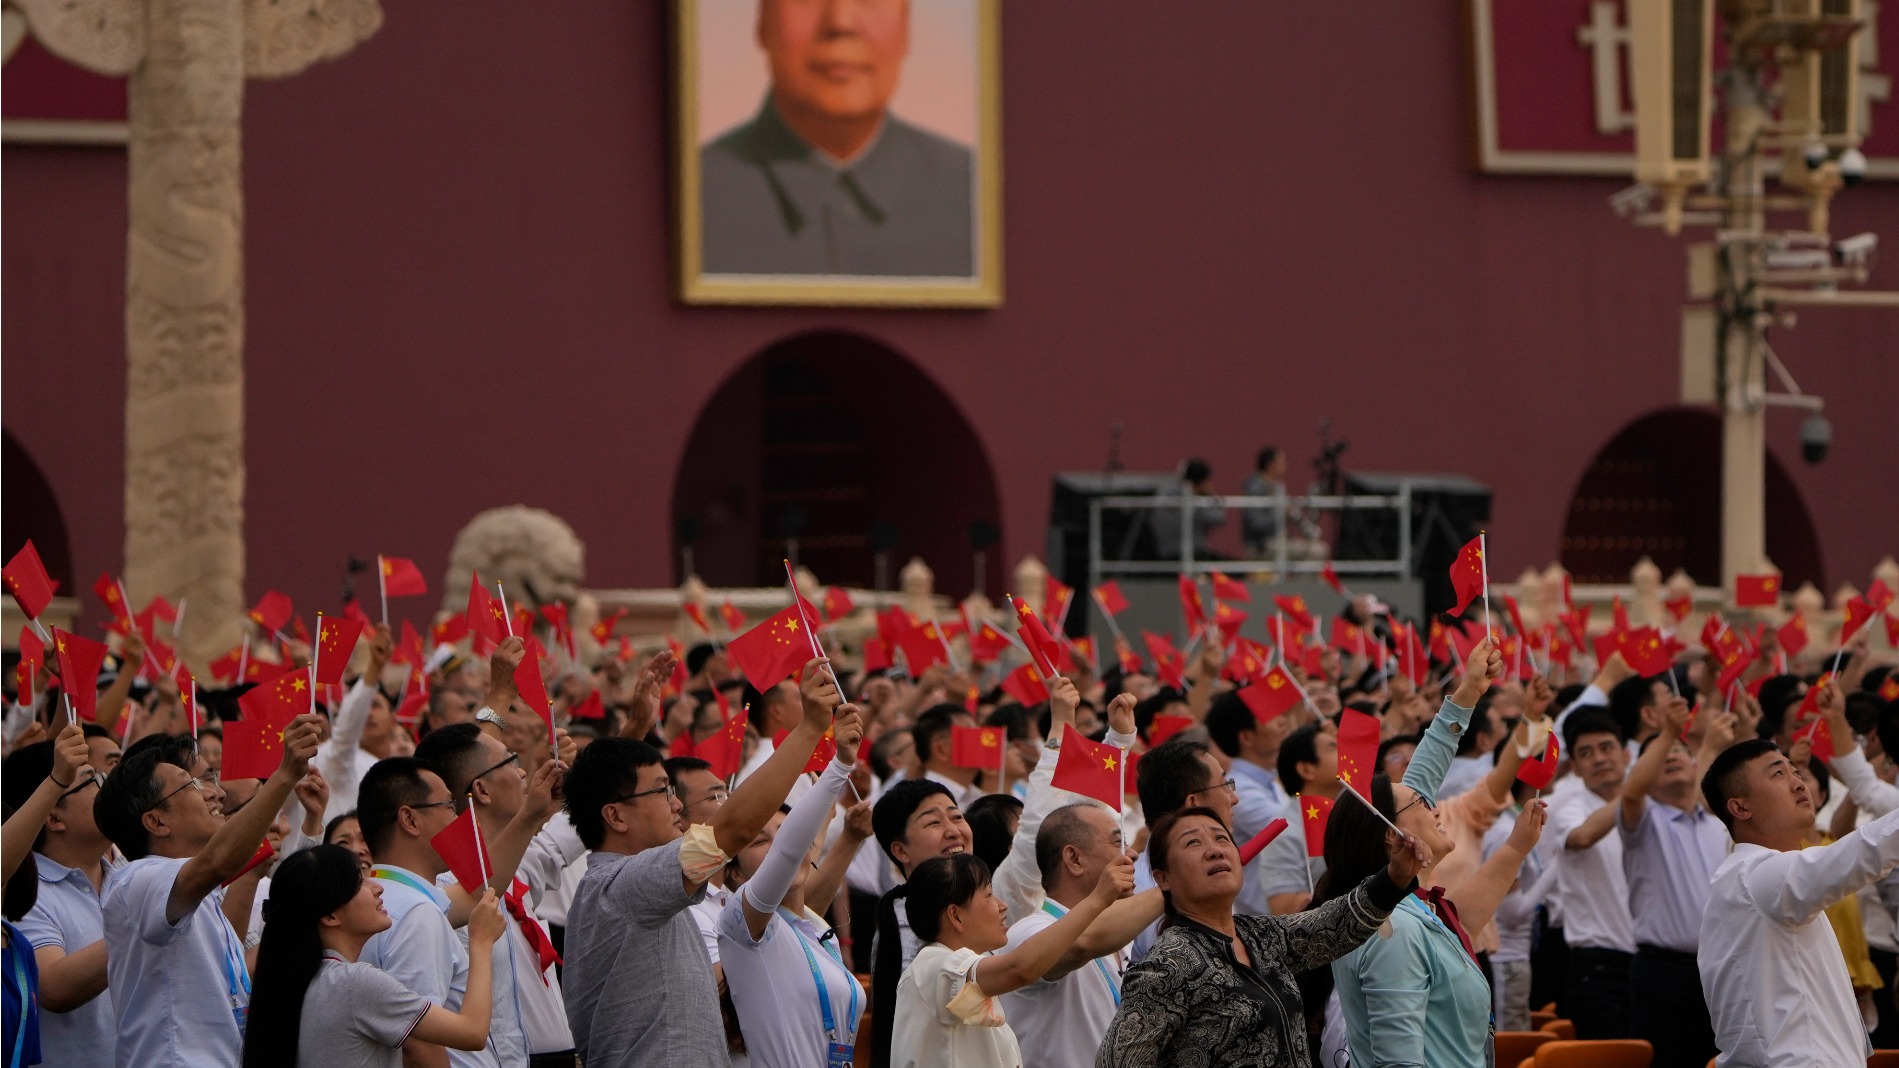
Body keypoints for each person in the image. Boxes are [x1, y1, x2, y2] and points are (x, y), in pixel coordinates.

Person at [561, 657, 841, 1068]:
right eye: (661, 792)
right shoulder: (621, 886)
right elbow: (733, 830)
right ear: (615, 816)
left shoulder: (640, 884)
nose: (676, 805)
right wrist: (809, 730)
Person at [1096, 806, 1425, 1066]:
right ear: (1162, 878)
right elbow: (1117, 1062)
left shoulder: (1260, 934)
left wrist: (1394, 877)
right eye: (1193, 842)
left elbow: (1333, 927)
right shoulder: (1166, 967)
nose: (1215, 850)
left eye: (1222, 839)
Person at [91, 716, 322, 1068]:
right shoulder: (137, 880)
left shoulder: (204, 896)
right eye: (192, 784)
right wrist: (284, 774)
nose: (216, 792)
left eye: (206, 779)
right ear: (156, 821)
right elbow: (219, 861)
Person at [699, 0, 975, 277]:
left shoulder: (977, 199)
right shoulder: (693, 198)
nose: (841, 23)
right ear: (762, 22)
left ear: (906, 27)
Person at [1699, 733, 1899, 1066]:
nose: (1797, 783)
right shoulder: (1754, 876)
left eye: (1795, 772)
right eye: (1778, 773)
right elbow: (1864, 852)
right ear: (1740, 806)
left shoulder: (1759, 876)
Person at [242, 843, 505, 1068]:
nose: (377, 887)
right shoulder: (355, 984)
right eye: (359, 883)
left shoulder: (299, 980)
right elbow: (472, 1032)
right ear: (330, 916)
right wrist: (481, 941)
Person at [413, 722, 580, 1067]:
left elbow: (564, 838)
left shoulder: (516, 864)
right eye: (511, 761)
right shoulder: (441, 886)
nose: (523, 772)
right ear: (482, 791)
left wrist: (635, 730)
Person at [717, 703, 868, 1067]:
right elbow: (787, 853)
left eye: (784, 833)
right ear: (734, 874)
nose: (778, 847)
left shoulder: (815, 930)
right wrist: (839, 767)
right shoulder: (740, 926)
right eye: (758, 841)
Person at [888, 850, 1133, 1068]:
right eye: (989, 895)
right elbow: (1020, 969)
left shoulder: (966, 967)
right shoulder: (933, 965)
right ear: (956, 915)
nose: (1002, 905)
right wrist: (1098, 898)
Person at [1617, 693, 1731, 1068]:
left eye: (1680, 750)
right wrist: (1668, 732)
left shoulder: (1718, 825)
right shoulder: (1644, 821)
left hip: (1720, 971)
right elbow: (1631, 792)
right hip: (1663, 973)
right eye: (1660, 755)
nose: (1671, 756)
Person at [4, 735, 117, 1067]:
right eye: (91, 781)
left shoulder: (126, 877)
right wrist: (141, 920)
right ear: (53, 818)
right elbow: (53, 988)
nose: (106, 787)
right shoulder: (25, 895)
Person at [1546, 709, 1635, 1037]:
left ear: (1625, 753)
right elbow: (1582, 838)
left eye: (1606, 748)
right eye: (1586, 753)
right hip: (1599, 968)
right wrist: (1636, 790)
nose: (1599, 759)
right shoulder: (1570, 808)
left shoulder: (1652, 807)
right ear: (1574, 766)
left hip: (1648, 963)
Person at [1203, 691, 1291, 915]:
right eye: (1269, 716)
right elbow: (1295, 833)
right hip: (1266, 922)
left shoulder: (1271, 782)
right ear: (1247, 737)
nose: (1282, 720)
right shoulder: (1239, 792)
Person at [1256, 721, 1338, 914]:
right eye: (1333, 748)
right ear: (1306, 769)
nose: (1346, 753)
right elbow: (1284, 907)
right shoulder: (1284, 833)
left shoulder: (1354, 811)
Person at [1148, 459, 1226, 562]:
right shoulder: (1192, 500)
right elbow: (1218, 518)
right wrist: (1209, 495)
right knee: (1236, 569)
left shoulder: (1165, 494)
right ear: (1203, 482)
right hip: (1189, 555)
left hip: (1163, 554)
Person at [1238, 446, 1287, 557]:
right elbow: (1256, 524)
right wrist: (1281, 513)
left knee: (1311, 548)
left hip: (1274, 541)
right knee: (1316, 551)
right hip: (1261, 545)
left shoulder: (1274, 487)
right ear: (1270, 465)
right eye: (1282, 463)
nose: (1285, 467)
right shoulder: (1255, 487)